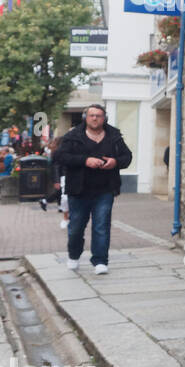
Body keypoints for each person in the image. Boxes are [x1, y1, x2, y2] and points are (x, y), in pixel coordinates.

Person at [53, 105, 132, 274]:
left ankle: (100, 261)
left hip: (105, 189)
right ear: (85, 118)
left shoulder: (114, 135)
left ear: (104, 118)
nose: (95, 118)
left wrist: (115, 162)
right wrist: (84, 160)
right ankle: (73, 255)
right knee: (76, 227)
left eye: (98, 115)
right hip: (78, 191)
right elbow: (59, 157)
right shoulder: (73, 136)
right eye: (91, 115)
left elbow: (127, 157)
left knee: (101, 226)